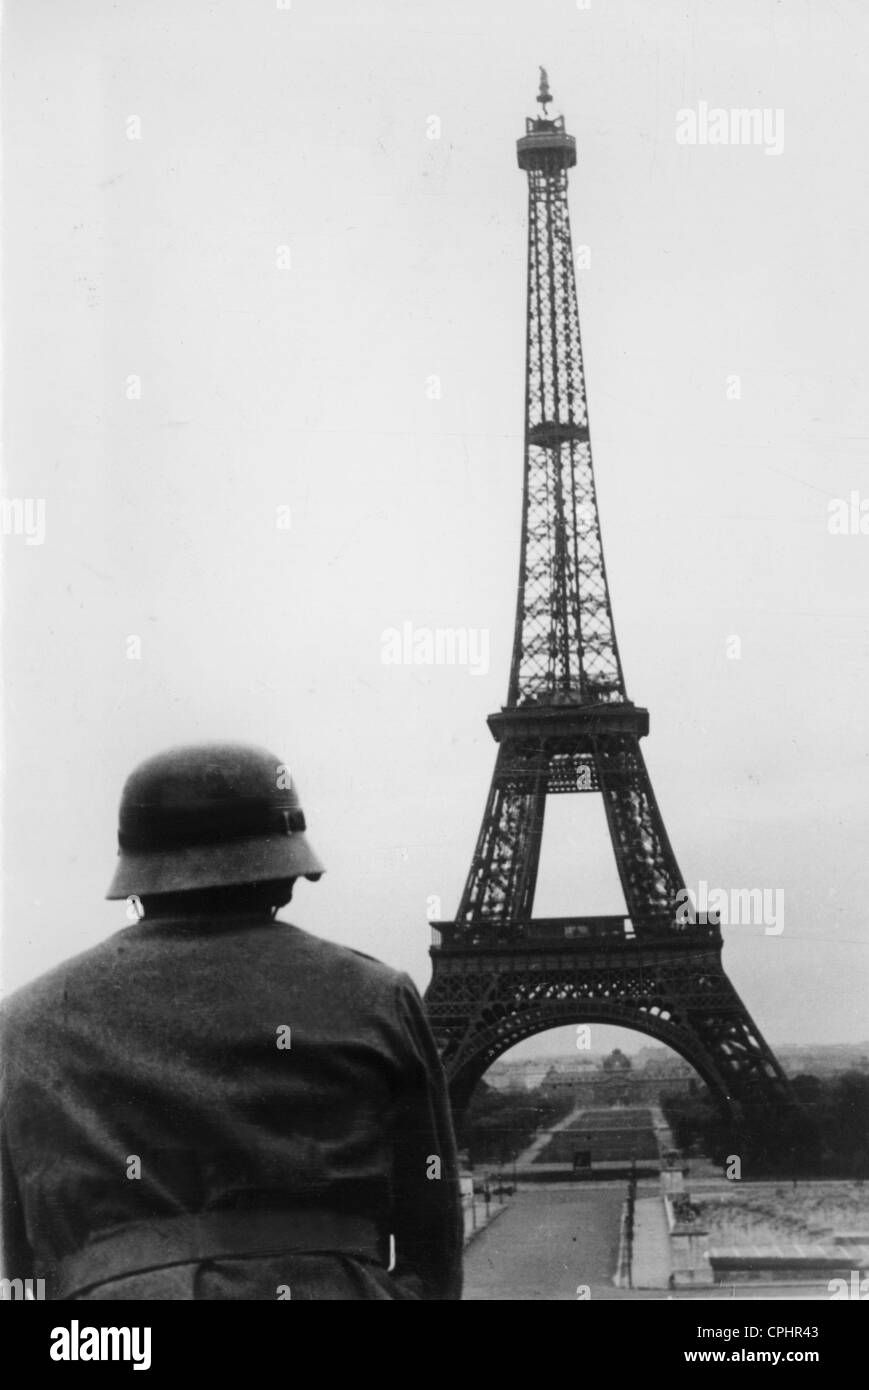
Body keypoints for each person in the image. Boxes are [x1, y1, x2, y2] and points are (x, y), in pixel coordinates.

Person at [0, 742, 463, 1300]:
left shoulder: (23, 1023)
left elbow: (23, 1248)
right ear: (285, 874)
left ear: (138, 874)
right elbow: (431, 1224)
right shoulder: (377, 995)